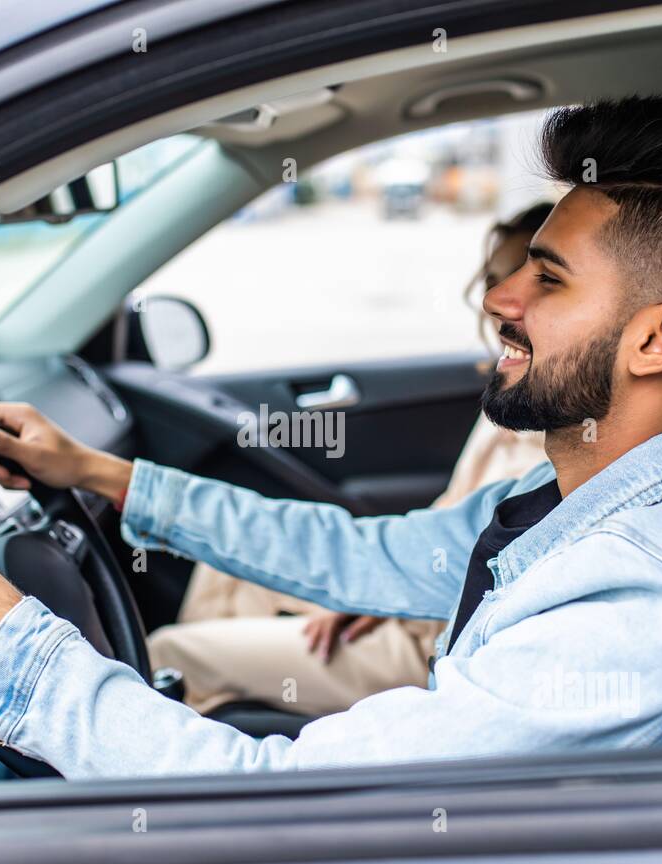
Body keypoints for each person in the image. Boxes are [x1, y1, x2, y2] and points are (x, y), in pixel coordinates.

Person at [0, 96, 662, 778]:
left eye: (546, 280)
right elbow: (353, 550)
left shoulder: (638, 616)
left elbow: (272, 810)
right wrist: (97, 472)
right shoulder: (577, 510)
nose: (499, 300)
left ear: (658, 336)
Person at [148, 204, 555, 717]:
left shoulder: (560, 427)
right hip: (414, 589)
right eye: (494, 280)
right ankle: (230, 706)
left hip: (426, 637)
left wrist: (380, 597)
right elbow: (448, 530)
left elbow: (475, 574)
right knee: (222, 571)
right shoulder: (512, 387)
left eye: (538, 280)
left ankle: (220, 717)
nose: (498, 302)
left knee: (170, 653)